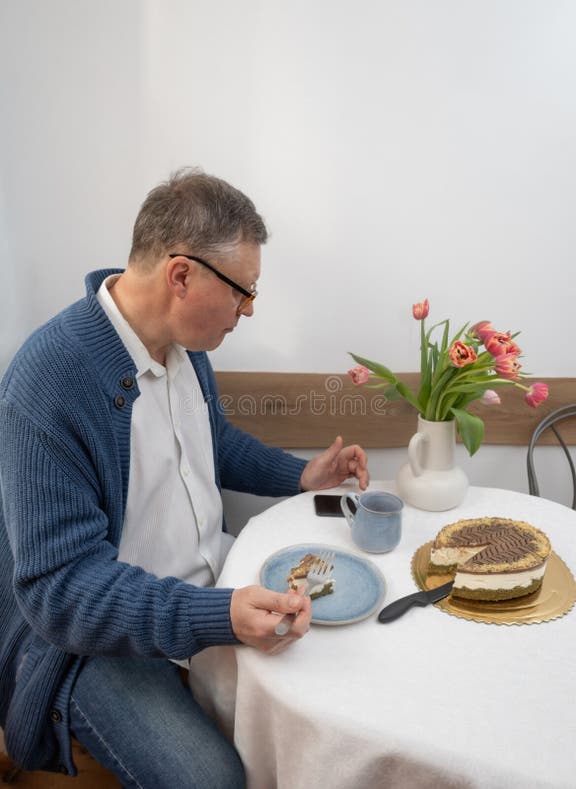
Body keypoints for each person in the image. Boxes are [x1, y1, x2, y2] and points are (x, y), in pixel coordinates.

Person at [0, 168, 369, 788]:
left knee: (339, 683)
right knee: (214, 781)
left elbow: (211, 443)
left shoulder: (185, 347)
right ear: (181, 276)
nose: (248, 310)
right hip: (92, 644)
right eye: (242, 292)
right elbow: (58, 591)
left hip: (205, 590)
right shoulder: (49, 381)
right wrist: (216, 617)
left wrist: (303, 473)